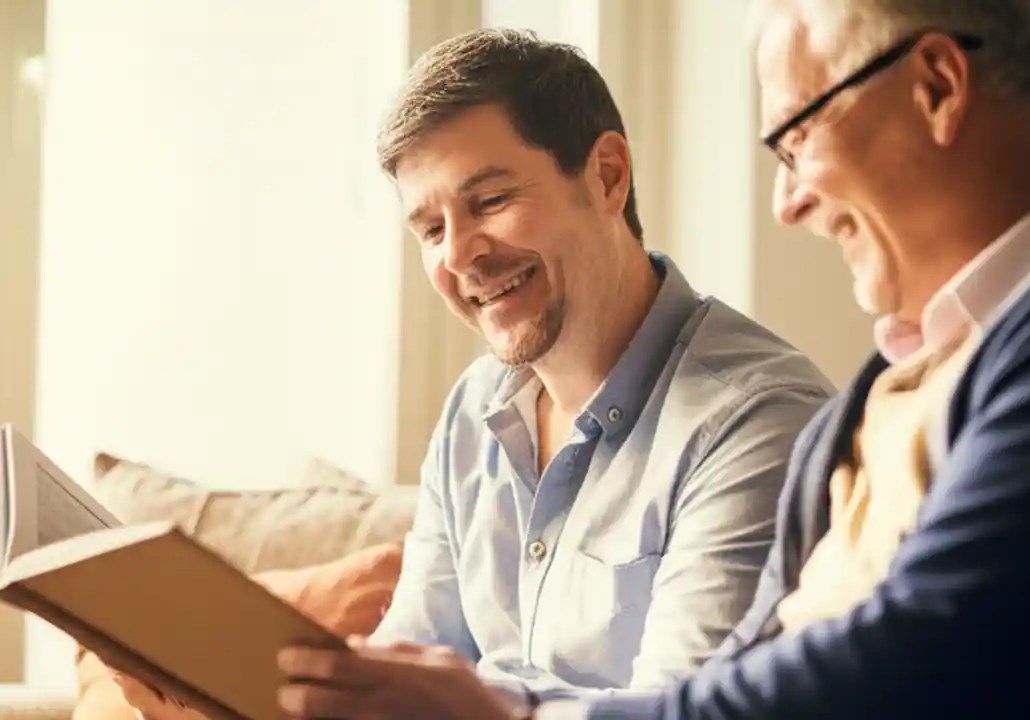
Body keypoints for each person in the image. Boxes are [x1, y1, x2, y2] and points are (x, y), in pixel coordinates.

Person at [274, 1, 1030, 718]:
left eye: (798, 135)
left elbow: (932, 656)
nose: (788, 203)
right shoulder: (889, 389)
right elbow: (743, 678)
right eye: (428, 229)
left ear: (936, 88)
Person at [115, 27, 833, 719]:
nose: (460, 256)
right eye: (430, 230)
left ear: (607, 176)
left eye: (489, 201)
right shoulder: (475, 411)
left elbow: (690, 713)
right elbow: (404, 670)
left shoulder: (756, 421)